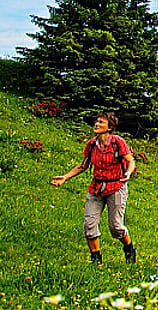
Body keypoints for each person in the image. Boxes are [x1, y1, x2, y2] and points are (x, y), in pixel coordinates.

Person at [51, 112, 137, 265]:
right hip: (96, 187)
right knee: (89, 224)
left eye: (101, 122)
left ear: (110, 127)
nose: (96, 124)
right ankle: (96, 259)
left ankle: (129, 248)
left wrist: (128, 173)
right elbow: (83, 166)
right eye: (96, 122)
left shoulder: (118, 142)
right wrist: (65, 177)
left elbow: (130, 161)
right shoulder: (91, 145)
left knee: (115, 227)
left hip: (116, 186)